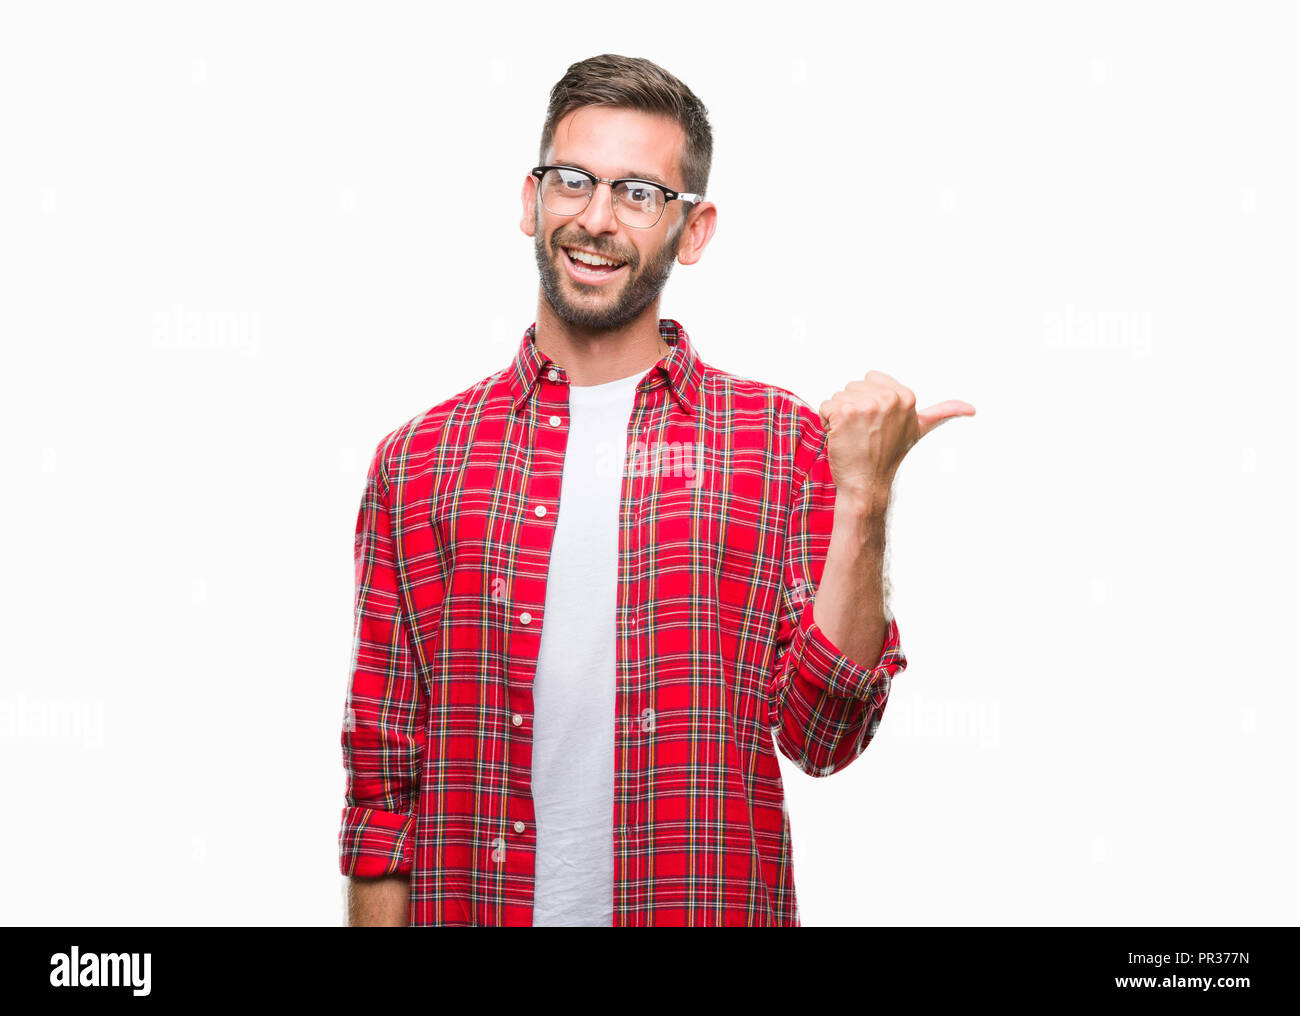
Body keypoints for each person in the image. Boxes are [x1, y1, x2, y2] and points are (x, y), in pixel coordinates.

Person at [338, 53, 975, 927]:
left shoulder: (775, 441)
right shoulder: (420, 463)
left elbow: (823, 737)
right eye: (573, 181)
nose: (595, 219)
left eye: (639, 193)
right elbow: (384, 786)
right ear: (531, 200)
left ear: (695, 229)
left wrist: (863, 497)